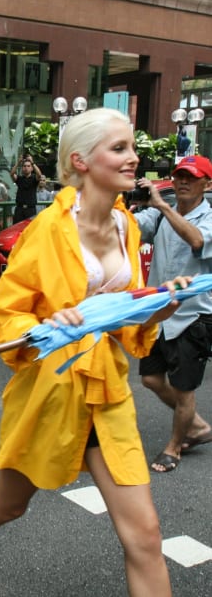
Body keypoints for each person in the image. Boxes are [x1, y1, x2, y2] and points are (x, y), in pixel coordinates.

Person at [0, 108, 179, 597]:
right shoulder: (47, 228)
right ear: (80, 161)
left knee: (145, 535)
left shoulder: (127, 227)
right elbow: (6, 310)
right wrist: (44, 326)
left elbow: (125, 319)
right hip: (52, 391)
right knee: (10, 504)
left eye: (132, 147)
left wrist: (158, 308)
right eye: (120, 148)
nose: (134, 158)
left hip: (107, 393)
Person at [134, 154, 212, 473]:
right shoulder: (160, 214)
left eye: (191, 177)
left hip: (193, 316)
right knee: (151, 379)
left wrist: (163, 206)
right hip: (160, 313)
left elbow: (196, 240)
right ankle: (197, 426)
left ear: (207, 184)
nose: (182, 182)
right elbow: (130, 229)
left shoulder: (207, 218)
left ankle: (174, 447)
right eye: (179, 175)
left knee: (184, 389)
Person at [10, 154, 42, 222]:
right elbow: (12, 174)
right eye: (24, 166)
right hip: (19, 209)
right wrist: (18, 162)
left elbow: (39, 174)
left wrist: (32, 162)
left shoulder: (34, 179)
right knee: (17, 227)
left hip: (30, 209)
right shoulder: (19, 178)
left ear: (32, 168)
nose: (26, 168)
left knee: (30, 228)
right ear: (22, 168)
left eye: (28, 166)